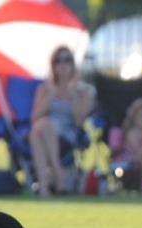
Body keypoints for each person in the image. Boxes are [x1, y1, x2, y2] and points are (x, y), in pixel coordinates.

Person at [27, 46, 94, 197]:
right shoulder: (45, 88)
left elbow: (79, 122)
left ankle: (47, 184)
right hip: (44, 132)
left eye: (67, 60)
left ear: (73, 64)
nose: (62, 64)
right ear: (53, 65)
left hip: (68, 136)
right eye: (58, 61)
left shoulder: (84, 90)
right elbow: (34, 118)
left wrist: (73, 95)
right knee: (40, 127)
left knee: (40, 129)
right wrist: (50, 96)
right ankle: (55, 182)